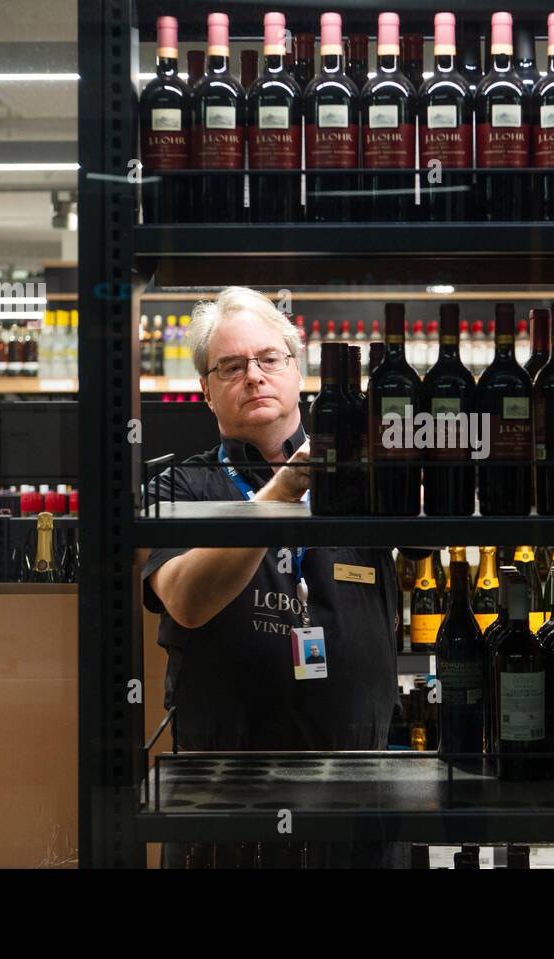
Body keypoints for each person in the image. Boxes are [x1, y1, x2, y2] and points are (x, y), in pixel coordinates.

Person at [143, 286, 406, 868]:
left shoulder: (359, 481)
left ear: (300, 372)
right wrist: (285, 487)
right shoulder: (177, 491)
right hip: (223, 803)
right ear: (206, 391)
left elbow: (432, 534)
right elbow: (186, 600)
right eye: (231, 367)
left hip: (360, 797)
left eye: (269, 360)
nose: (254, 377)